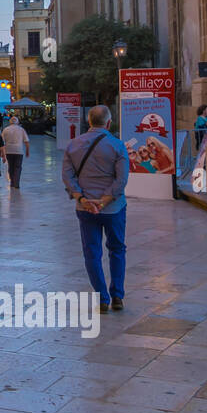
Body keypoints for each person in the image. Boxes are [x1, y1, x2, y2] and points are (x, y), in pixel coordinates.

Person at [62, 105, 130, 312]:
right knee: (117, 249)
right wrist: (105, 200)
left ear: (88, 122)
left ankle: (102, 298)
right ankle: (117, 295)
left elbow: (67, 176)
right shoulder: (117, 145)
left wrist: (82, 198)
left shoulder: (73, 145)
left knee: (92, 252)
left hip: (85, 209)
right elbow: (121, 179)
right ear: (108, 123)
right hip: (114, 208)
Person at [2, 112, 30, 188]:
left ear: (10, 122)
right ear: (18, 122)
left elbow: (1, 143)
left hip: (9, 151)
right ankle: (16, 183)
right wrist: (27, 151)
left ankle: (12, 181)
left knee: (10, 166)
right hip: (19, 151)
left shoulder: (5, 130)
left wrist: (2, 154)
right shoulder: (21, 130)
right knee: (17, 167)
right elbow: (26, 141)